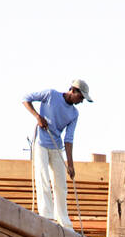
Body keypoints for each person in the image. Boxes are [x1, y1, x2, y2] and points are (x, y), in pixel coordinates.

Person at [22, 81, 94, 229]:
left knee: (61, 185)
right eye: (80, 98)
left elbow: (69, 139)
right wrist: (38, 117)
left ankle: (64, 221)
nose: (81, 102)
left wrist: (71, 164)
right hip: (41, 142)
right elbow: (25, 98)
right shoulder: (50, 94)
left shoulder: (74, 114)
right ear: (73, 91)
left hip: (57, 147)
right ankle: (46, 216)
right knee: (43, 178)